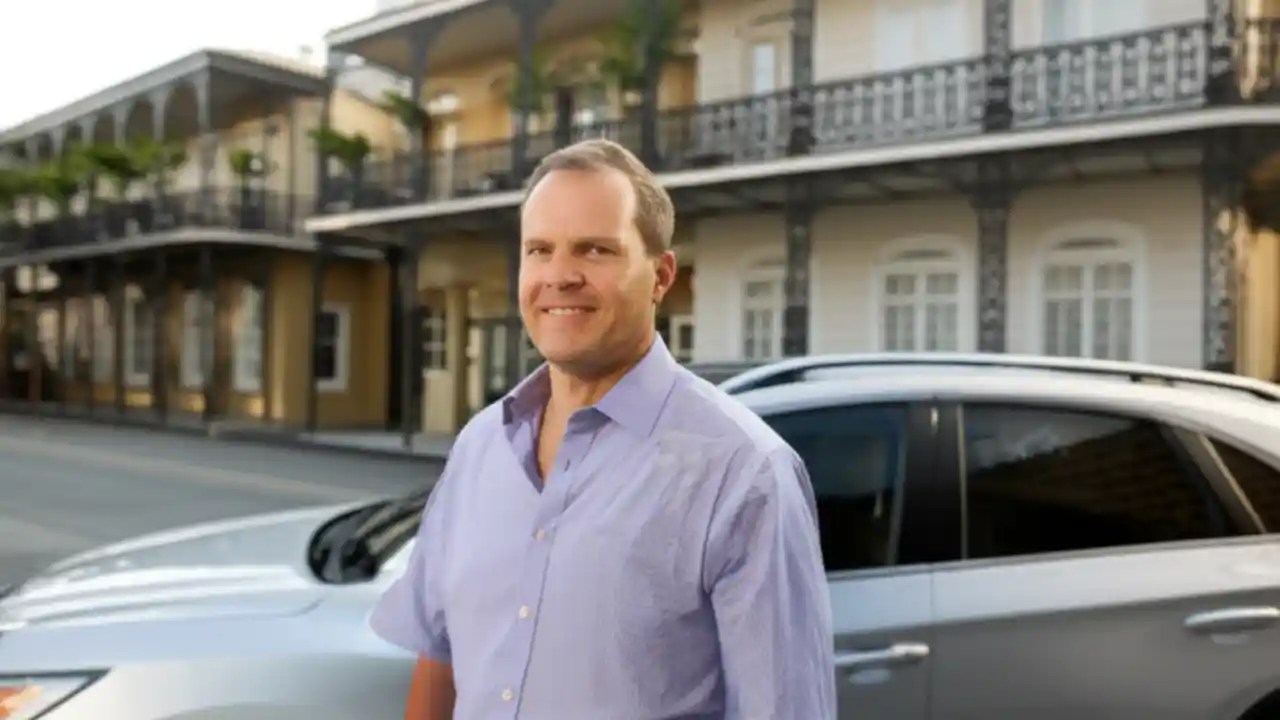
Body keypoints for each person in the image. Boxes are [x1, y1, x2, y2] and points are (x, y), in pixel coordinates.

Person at [370, 138, 836, 720]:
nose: (560, 276)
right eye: (539, 250)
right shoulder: (481, 445)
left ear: (662, 275)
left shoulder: (744, 474)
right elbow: (439, 659)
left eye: (594, 250)